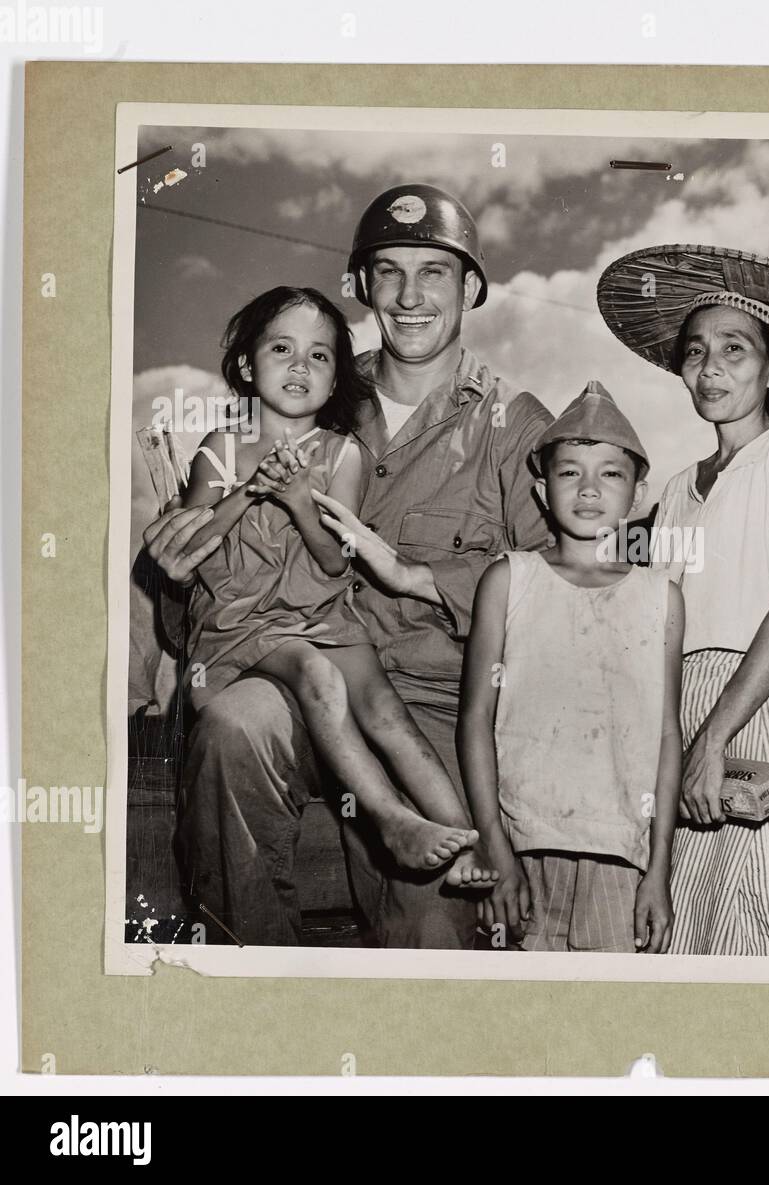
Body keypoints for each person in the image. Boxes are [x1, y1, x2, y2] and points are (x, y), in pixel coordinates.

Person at [144, 183, 552, 947]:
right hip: (285, 677)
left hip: (433, 706)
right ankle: (252, 997)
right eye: (387, 271)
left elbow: (561, 590)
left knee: (435, 928)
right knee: (234, 725)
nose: (408, 294)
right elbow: (196, 600)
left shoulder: (514, 424)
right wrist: (173, 569)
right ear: (361, 286)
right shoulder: (311, 388)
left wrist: (422, 578)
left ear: (469, 288)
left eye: (433, 271)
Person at [596, 244, 769, 956]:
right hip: (682, 705)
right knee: (682, 919)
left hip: (765, 700)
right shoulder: (673, 490)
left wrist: (714, 739)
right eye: (696, 352)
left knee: (764, 914)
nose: (711, 368)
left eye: (734, 350)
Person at [179, 285, 495, 882]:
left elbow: (332, 561)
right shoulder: (221, 447)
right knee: (319, 674)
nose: (300, 366)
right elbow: (194, 547)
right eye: (282, 349)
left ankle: (466, 843)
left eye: (319, 355)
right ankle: (388, 818)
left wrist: (299, 500)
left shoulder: (342, 454)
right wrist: (252, 488)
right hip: (241, 620)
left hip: (323, 614)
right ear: (247, 366)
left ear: (335, 378)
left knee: (386, 711)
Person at [458, 381, 684, 953]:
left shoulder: (661, 596)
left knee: (608, 1015)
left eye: (610, 473)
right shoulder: (509, 579)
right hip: (521, 847)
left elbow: (665, 735)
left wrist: (658, 869)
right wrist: (493, 845)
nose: (588, 489)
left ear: (638, 494)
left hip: (619, 854)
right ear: (540, 489)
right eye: (569, 473)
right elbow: (476, 719)